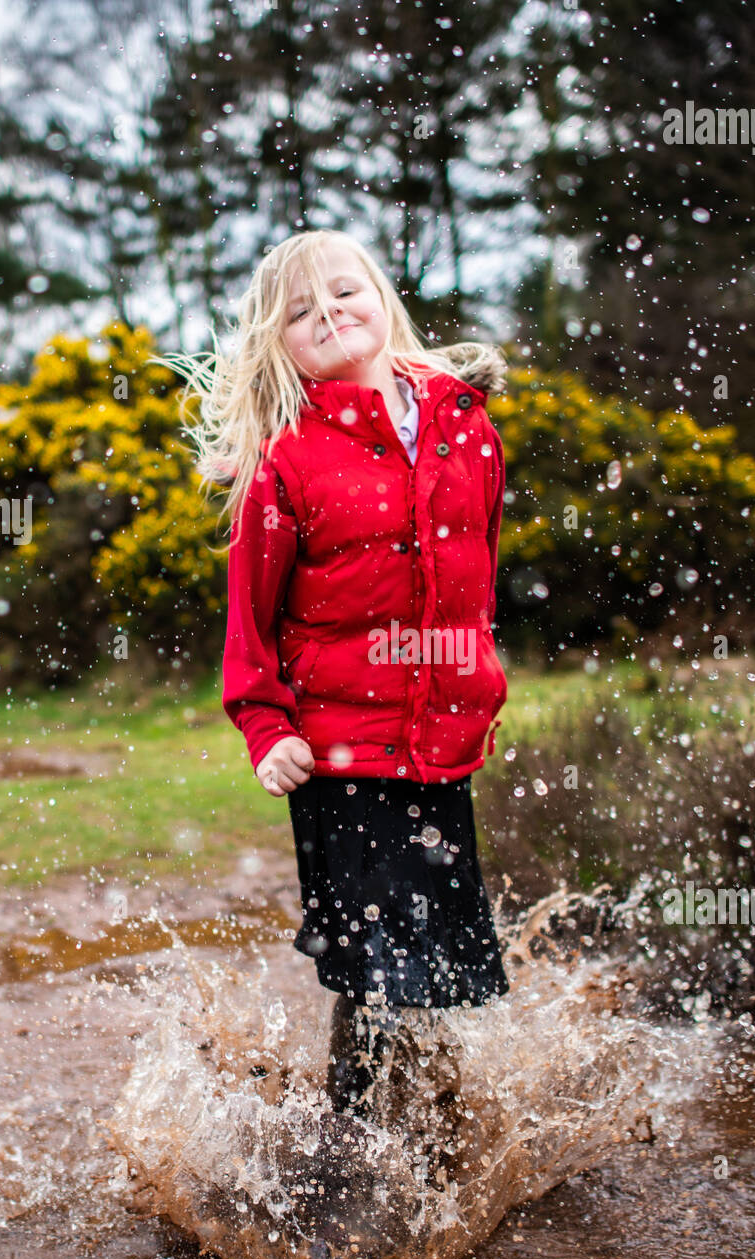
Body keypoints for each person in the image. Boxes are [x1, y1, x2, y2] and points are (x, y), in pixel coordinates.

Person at [169, 228, 510, 1171]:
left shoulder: (464, 426)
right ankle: (351, 1161)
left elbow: (474, 568)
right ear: (276, 342)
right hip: (338, 754)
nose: (329, 317)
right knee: (375, 970)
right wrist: (265, 723)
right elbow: (251, 622)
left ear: (382, 296)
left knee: (436, 968)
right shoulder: (283, 463)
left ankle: (433, 1151)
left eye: (345, 294)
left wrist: (474, 676)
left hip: (437, 747)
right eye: (301, 312)